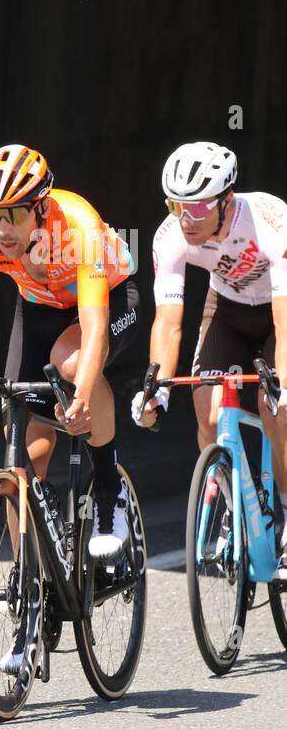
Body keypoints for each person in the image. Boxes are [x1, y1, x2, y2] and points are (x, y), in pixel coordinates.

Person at [0, 144, 139, 560]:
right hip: (38, 309)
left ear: (41, 208)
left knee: (71, 362)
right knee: (22, 460)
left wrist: (82, 397)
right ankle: (28, 581)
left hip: (110, 300)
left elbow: (95, 328)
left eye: (12, 214)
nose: (1, 229)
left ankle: (108, 491)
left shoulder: (78, 227)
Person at [132, 141, 287, 579]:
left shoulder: (272, 222)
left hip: (280, 311)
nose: (186, 219)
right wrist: (154, 389)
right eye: (176, 205)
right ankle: (227, 492)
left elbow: (284, 316)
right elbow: (168, 322)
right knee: (208, 409)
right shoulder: (170, 237)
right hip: (228, 310)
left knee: (275, 411)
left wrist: (284, 386)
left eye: (197, 209)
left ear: (227, 200)